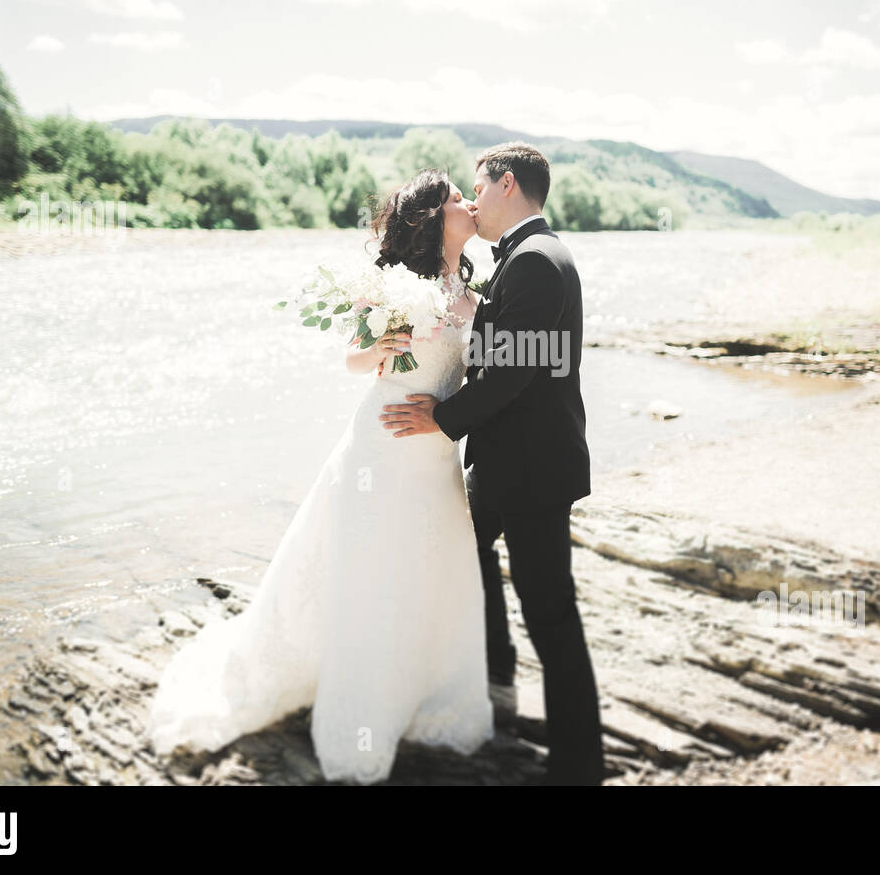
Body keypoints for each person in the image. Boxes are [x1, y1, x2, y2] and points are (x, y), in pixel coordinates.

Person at [146, 169, 493, 784]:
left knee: (430, 567)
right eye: (457, 198)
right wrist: (389, 342)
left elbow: (479, 377)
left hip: (435, 452)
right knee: (370, 569)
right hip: (382, 446)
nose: (469, 203)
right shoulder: (394, 284)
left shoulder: (472, 293)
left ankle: (427, 691)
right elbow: (354, 359)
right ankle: (358, 704)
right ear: (434, 217)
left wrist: (454, 419)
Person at [380, 142, 604, 786]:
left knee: (551, 614)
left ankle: (578, 764)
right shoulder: (530, 258)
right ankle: (493, 683)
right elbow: (515, 345)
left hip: (531, 473)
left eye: (478, 187)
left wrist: (439, 420)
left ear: (507, 184)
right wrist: (474, 317)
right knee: (463, 563)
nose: (473, 201)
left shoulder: (536, 258)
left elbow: (517, 370)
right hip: (503, 467)